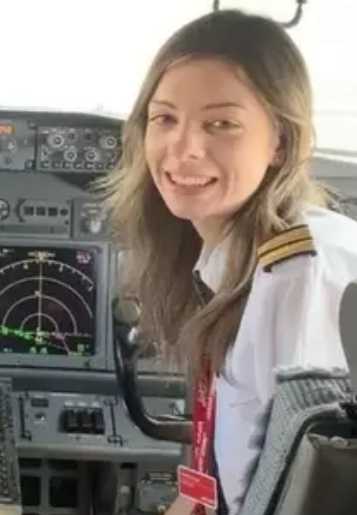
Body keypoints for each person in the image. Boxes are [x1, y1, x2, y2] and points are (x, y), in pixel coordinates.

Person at [97, 9, 357, 515]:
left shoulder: (299, 277)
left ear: (281, 141)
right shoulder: (231, 263)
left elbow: (314, 494)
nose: (184, 148)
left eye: (221, 124)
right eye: (165, 118)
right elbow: (217, 488)